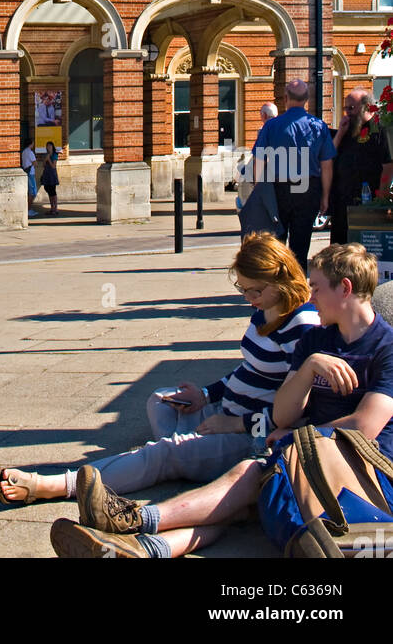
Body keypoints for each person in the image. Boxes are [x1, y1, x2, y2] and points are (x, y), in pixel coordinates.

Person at [49, 242, 393, 558]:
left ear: (344, 289)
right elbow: (284, 414)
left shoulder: (385, 348)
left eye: (317, 287)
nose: (311, 295)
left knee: (243, 477)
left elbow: (365, 427)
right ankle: (146, 549)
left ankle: (132, 520)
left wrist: (292, 439)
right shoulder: (315, 340)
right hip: (304, 453)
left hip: (364, 467)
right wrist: (309, 369)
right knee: (237, 504)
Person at [0, 233, 319, 506]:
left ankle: (57, 485)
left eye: (255, 291)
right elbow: (248, 370)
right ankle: (179, 455)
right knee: (160, 400)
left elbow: (292, 411)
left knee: (163, 453)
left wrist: (234, 424)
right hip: (226, 413)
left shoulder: (302, 324)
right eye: (243, 290)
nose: (249, 299)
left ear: (280, 278)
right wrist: (205, 396)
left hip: (250, 434)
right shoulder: (265, 310)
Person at [251, 78, 335, 272]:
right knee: (301, 243)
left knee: (276, 243)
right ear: (307, 99)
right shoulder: (318, 126)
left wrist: (259, 192)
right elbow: (327, 164)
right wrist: (325, 196)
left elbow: (259, 161)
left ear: (286, 98)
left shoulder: (271, 126)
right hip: (308, 189)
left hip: (279, 189)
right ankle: (297, 287)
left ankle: (277, 288)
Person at [329, 88, 391, 244]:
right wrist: (340, 134)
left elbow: (388, 167)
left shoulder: (382, 130)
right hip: (343, 203)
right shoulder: (347, 130)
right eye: (346, 108)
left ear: (367, 107)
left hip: (367, 202)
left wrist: (380, 201)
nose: (348, 113)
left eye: (352, 108)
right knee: (339, 249)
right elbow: (327, 156)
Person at [41, 140, 60, 217]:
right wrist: (46, 158)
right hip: (46, 174)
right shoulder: (46, 154)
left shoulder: (55, 155)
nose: (48, 147)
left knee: (53, 191)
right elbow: (43, 164)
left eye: (50, 146)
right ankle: (51, 207)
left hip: (52, 174)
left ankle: (55, 208)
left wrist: (48, 158)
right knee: (48, 189)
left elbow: (53, 166)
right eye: (47, 146)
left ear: (52, 147)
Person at [21, 140, 38, 217]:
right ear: (31, 144)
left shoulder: (24, 152)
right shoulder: (30, 152)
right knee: (33, 192)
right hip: (30, 173)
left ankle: (28, 209)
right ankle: (28, 209)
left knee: (30, 191)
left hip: (26, 172)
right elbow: (35, 163)